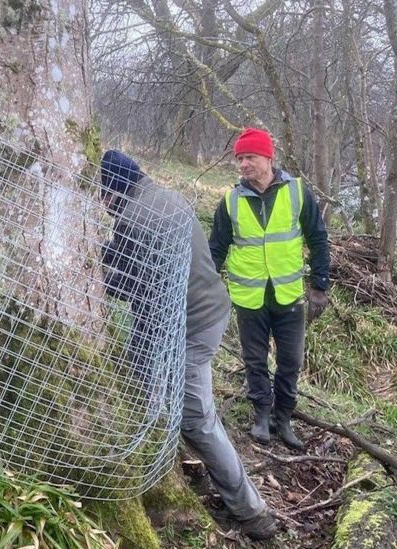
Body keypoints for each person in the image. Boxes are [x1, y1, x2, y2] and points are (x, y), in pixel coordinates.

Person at [99, 150, 278, 541]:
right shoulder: (165, 197)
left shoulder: (133, 218)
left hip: (191, 327)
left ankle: (252, 513)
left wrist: (90, 273)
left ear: (111, 191)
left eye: (102, 195)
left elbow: (131, 284)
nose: (102, 204)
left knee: (198, 420)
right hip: (202, 311)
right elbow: (139, 260)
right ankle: (155, 447)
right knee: (138, 375)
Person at [209, 128, 330, 450]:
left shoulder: (298, 193)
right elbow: (217, 249)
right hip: (249, 298)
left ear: (268, 158)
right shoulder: (231, 201)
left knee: (290, 361)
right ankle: (261, 415)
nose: (243, 164)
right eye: (240, 159)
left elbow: (318, 239)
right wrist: (205, 286)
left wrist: (319, 286)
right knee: (255, 360)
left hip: (288, 295)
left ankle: (283, 418)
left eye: (249, 157)